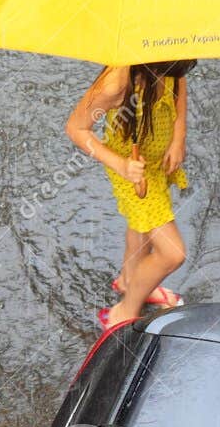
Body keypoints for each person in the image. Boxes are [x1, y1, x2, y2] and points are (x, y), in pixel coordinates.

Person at [65, 59, 197, 331]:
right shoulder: (117, 84)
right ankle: (123, 311)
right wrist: (121, 166)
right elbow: (77, 129)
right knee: (172, 253)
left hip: (157, 159)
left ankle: (129, 279)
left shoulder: (169, 56)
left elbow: (179, 80)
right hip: (131, 167)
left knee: (141, 224)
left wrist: (178, 135)